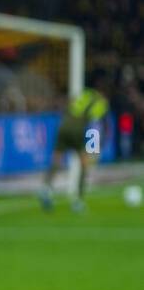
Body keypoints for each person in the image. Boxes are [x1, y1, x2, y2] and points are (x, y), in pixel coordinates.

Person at [40, 83, 109, 212]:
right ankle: (78, 201)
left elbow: (69, 105)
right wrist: (94, 148)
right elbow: (95, 125)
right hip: (77, 130)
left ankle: (46, 188)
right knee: (84, 164)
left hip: (64, 125)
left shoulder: (85, 93)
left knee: (56, 160)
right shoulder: (101, 103)